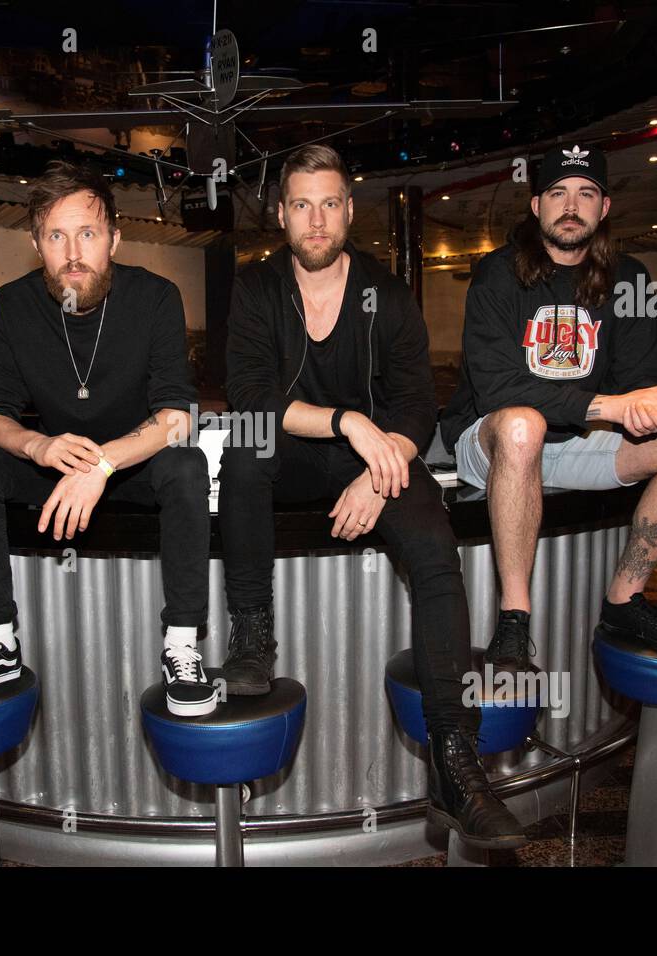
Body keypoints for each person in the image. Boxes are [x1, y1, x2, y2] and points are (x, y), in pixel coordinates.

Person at [219, 144, 525, 848]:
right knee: (244, 453)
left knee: (432, 543)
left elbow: (419, 407)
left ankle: (455, 762)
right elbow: (252, 403)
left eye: (330, 203)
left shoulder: (384, 293)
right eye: (302, 204)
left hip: (376, 462)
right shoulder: (259, 287)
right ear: (282, 213)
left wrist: (373, 468)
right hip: (295, 448)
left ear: (350, 211)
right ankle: (252, 637)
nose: (317, 219)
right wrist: (347, 422)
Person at [0, 161, 216, 714]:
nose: (72, 253)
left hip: (132, 463)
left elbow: (177, 413)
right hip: (53, 464)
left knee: (185, 465)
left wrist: (104, 464)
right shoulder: (14, 304)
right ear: (36, 243)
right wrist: (37, 447)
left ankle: (182, 646)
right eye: (55, 236)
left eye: (87, 233)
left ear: (114, 237)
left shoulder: (155, 296)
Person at [440, 143, 657, 672]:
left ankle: (625, 600)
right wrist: (611, 405)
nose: (571, 205)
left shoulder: (632, 279)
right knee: (524, 424)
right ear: (537, 206)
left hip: (576, 444)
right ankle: (514, 620)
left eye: (586, 193)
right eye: (558, 193)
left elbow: (644, 382)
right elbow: (501, 391)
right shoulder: (496, 275)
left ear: (604, 208)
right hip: (492, 442)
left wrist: (645, 407)